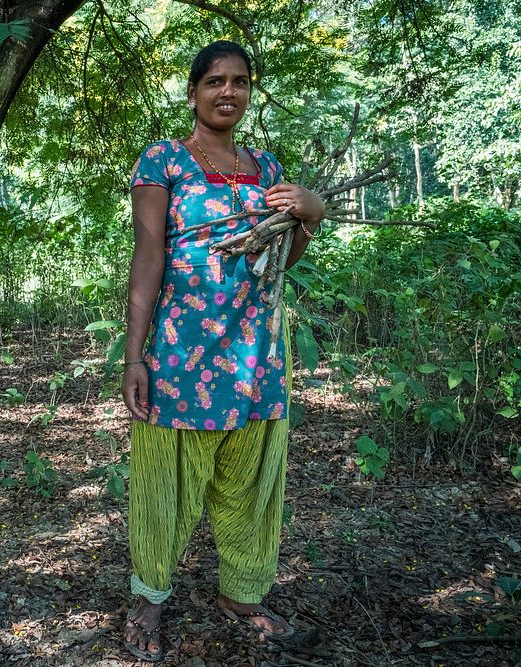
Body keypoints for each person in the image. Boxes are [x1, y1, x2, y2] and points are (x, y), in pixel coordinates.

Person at [120, 40, 325, 662]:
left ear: (249, 91)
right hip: (184, 353)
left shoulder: (265, 168)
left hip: (256, 354)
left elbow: (277, 261)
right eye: (214, 81)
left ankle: (242, 595)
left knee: (250, 480)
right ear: (193, 92)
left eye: (239, 82)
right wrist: (134, 356)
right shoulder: (164, 162)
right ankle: (149, 600)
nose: (227, 92)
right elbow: (149, 257)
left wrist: (311, 215)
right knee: (167, 483)